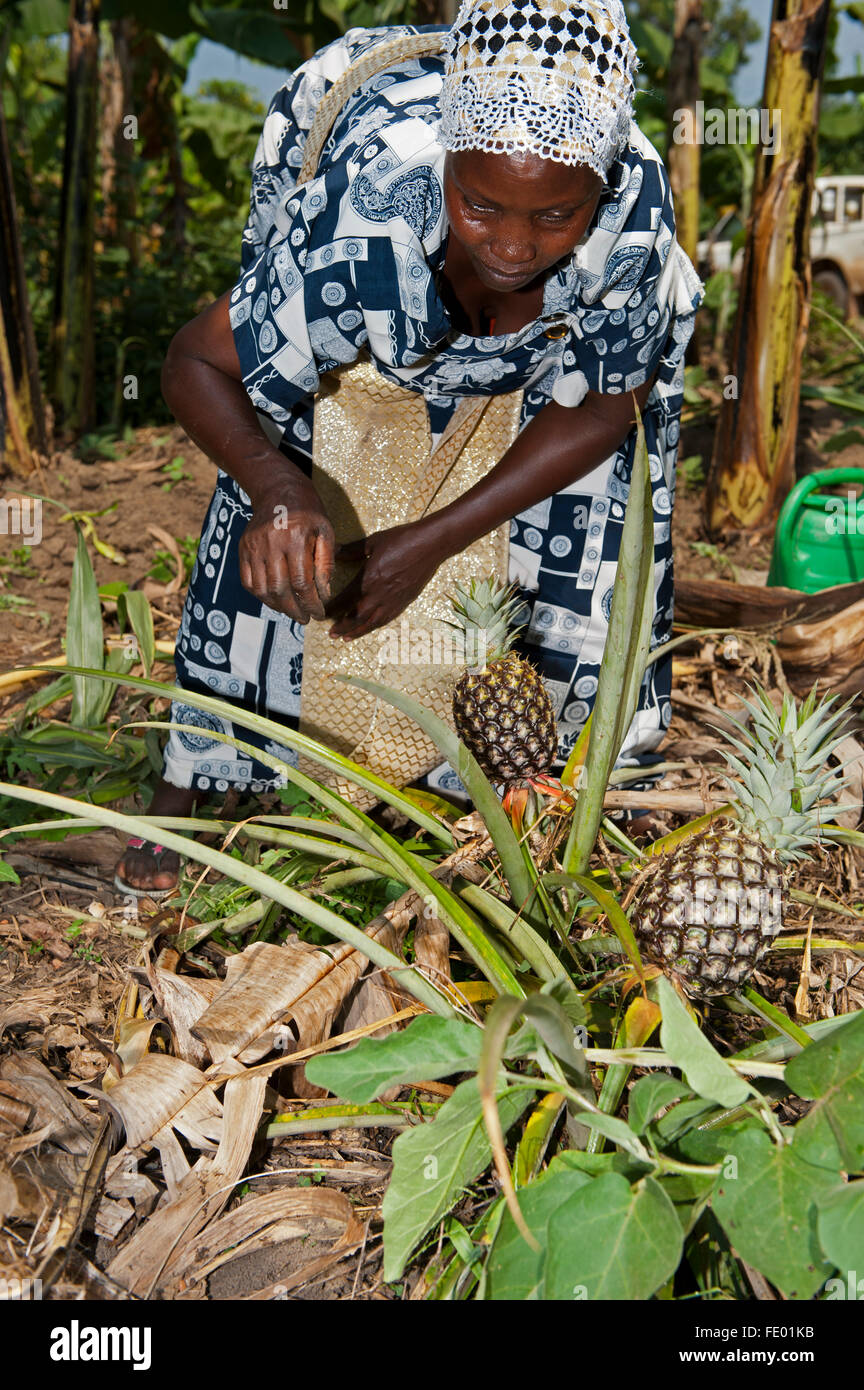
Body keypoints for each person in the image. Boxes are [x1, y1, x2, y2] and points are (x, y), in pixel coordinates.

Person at [115, 0, 703, 897]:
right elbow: (197, 362)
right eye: (481, 205)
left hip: (561, 374)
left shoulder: (631, 219)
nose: (512, 244)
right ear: (445, 164)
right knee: (279, 467)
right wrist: (278, 484)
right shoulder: (367, 214)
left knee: (607, 508)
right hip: (355, 234)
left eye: (556, 216)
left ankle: (573, 792)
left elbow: (600, 410)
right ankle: (198, 778)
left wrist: (431, 541)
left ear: (602, 182)